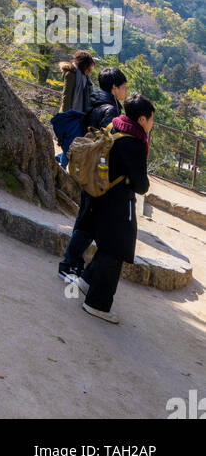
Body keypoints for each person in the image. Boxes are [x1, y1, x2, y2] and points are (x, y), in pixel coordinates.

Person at [79, 93, 154, 323]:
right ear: (142, 119)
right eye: (151, 119)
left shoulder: (115, 126)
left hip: (100, 194)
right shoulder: (134, 143)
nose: (152, 124)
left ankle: (87, 280)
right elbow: (141, 185)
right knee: (116, 250)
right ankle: (97, 303)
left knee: (106, 244)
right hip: (118, 201)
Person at [57, 66, 127, 282]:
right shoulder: (111, 111)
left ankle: (74, 264)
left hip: (84, 166)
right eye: (123, 87)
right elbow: (107, 145)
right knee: (88, 222)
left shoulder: (93, 101)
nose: (125, 91)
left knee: (84, 217)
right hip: (96, 172)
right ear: (114, 88)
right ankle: (67, 265)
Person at [59, 50, 96, 114]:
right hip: (70, 113)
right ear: (83, 65)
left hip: (81, 113)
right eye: (89, 68)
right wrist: (66, 116)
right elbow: (66, 97)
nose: (90, 71)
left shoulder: (85, 77)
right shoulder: (71, 74)